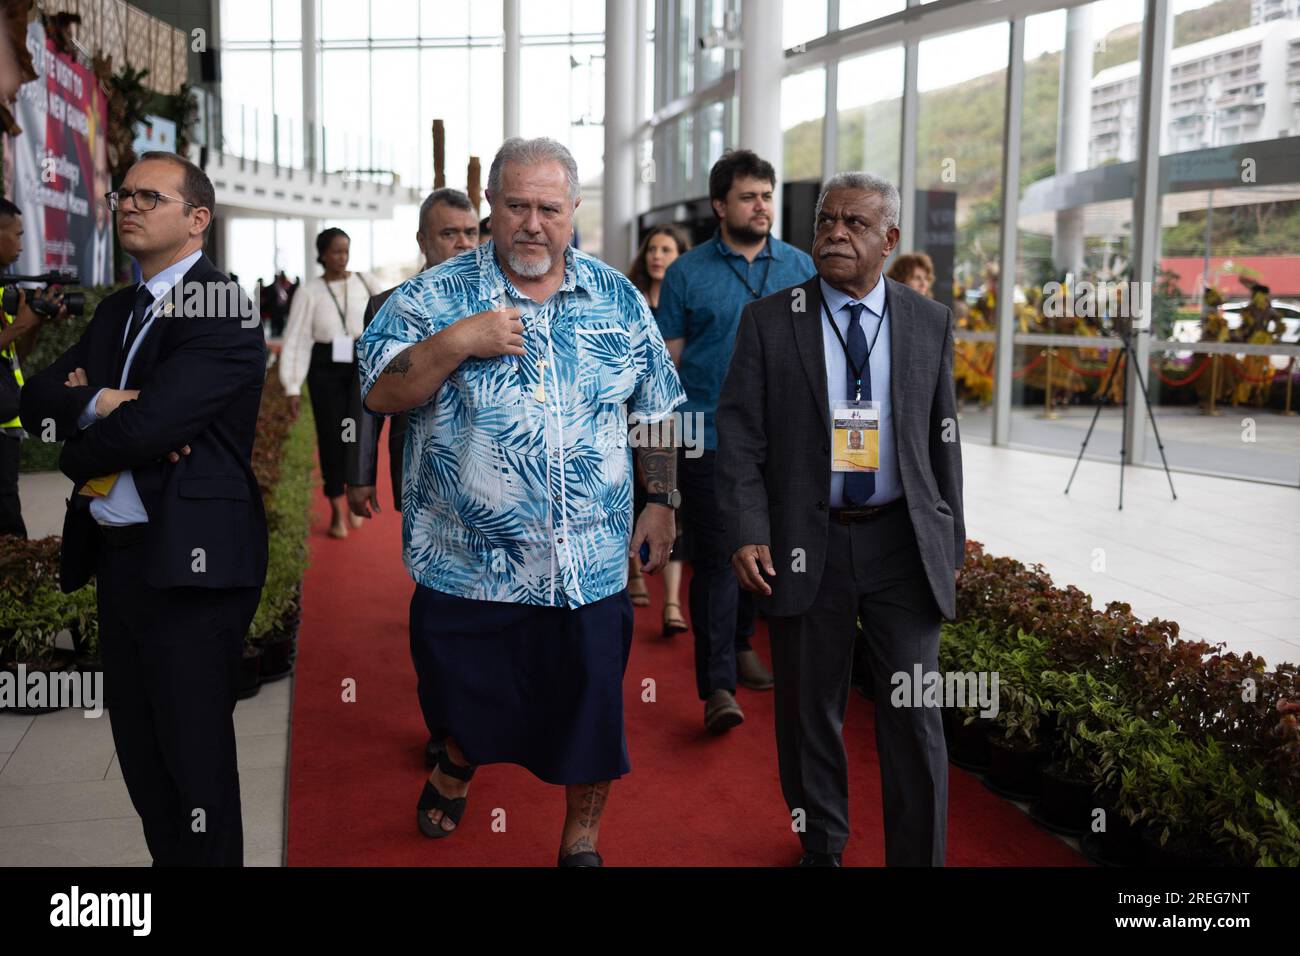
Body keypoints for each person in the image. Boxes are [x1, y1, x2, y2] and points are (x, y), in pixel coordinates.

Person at [358, 137, 685, 867]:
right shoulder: (433, 297)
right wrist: (459, 343)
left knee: (593, 702)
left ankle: (581, 839)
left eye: (548, 208)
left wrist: (660, 498)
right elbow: (381, 391)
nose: (532, 223)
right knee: (467, 694)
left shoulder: (617, 297)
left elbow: (657, 406)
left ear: (573, 213)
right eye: (515, 207)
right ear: (491, 210)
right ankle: (458, 759)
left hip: (592, 562)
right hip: (467, 562)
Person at [19, 151, 268, 865]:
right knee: (143, 761)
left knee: (195, 772)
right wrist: (101, 401)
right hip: (118, 561)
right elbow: (37, 401)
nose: (127, 205)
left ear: (197, 219)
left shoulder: (221, 307)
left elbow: (156, 425)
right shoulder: (121, 310)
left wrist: (85, 434)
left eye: (148, 197)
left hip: (193, 569)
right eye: (122, 194)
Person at [716, 171, 965, 867]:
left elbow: (944, 439)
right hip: (804, 542)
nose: (834, 233)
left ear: (889, 240)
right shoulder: (770, 320)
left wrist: (951, 542)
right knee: (806, 711)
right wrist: (747, 528)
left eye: (855, 224)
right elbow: (738, 436)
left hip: (900, 543)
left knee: (913, 714)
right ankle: (821, 846)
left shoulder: (927, 320)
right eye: (827, 220)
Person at [656, 148, 814, 733]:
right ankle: (718, 685)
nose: (762, 206)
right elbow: (667, 366)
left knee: (765, 549)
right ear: (720, 205)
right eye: (749, 196)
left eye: (767, 195)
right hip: (707, 436)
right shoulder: (686, 274)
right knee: (719, 560)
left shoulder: (801, 268)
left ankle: (744, 641)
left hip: (782, 440)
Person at [344, 187, 478, 771]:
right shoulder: (389, 304)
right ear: (423, 241)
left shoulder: (503, 299)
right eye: (450, 234)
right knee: (438, 605)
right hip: (424, 475)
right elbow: (367, 398)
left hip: (498, 483)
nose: (464, 244)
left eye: (472, 232)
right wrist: (358, 473)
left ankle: (487, 718)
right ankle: (444, 726)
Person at [278, 227, 379, 539]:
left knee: (357, 435)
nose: (342, 256)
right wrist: (292, 385)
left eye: (346, 250)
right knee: (332, 437)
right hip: (325, 369)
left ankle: (354, 495)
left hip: (359, 365)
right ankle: (336, 506)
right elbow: (295, 339)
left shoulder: (365, 281)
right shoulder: (310, 291)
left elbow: (388, 317)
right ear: (322, 254)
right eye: (336, 251)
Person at [625, 224, 691, 637]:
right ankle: (632, 569)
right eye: (653, 248)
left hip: (683, 415)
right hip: (630, 416)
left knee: (672, 499)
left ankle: (671, 601)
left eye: (667, 249)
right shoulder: (630, 296)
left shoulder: (687, 297)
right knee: (633, 492)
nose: (658, 256)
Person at [0, 197, 67, 537]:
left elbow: (16, 356)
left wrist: (34, 320)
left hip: (6, 422)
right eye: (17, 235)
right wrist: (18, 326)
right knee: (8, 521)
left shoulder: (6, 291)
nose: (21, 246)